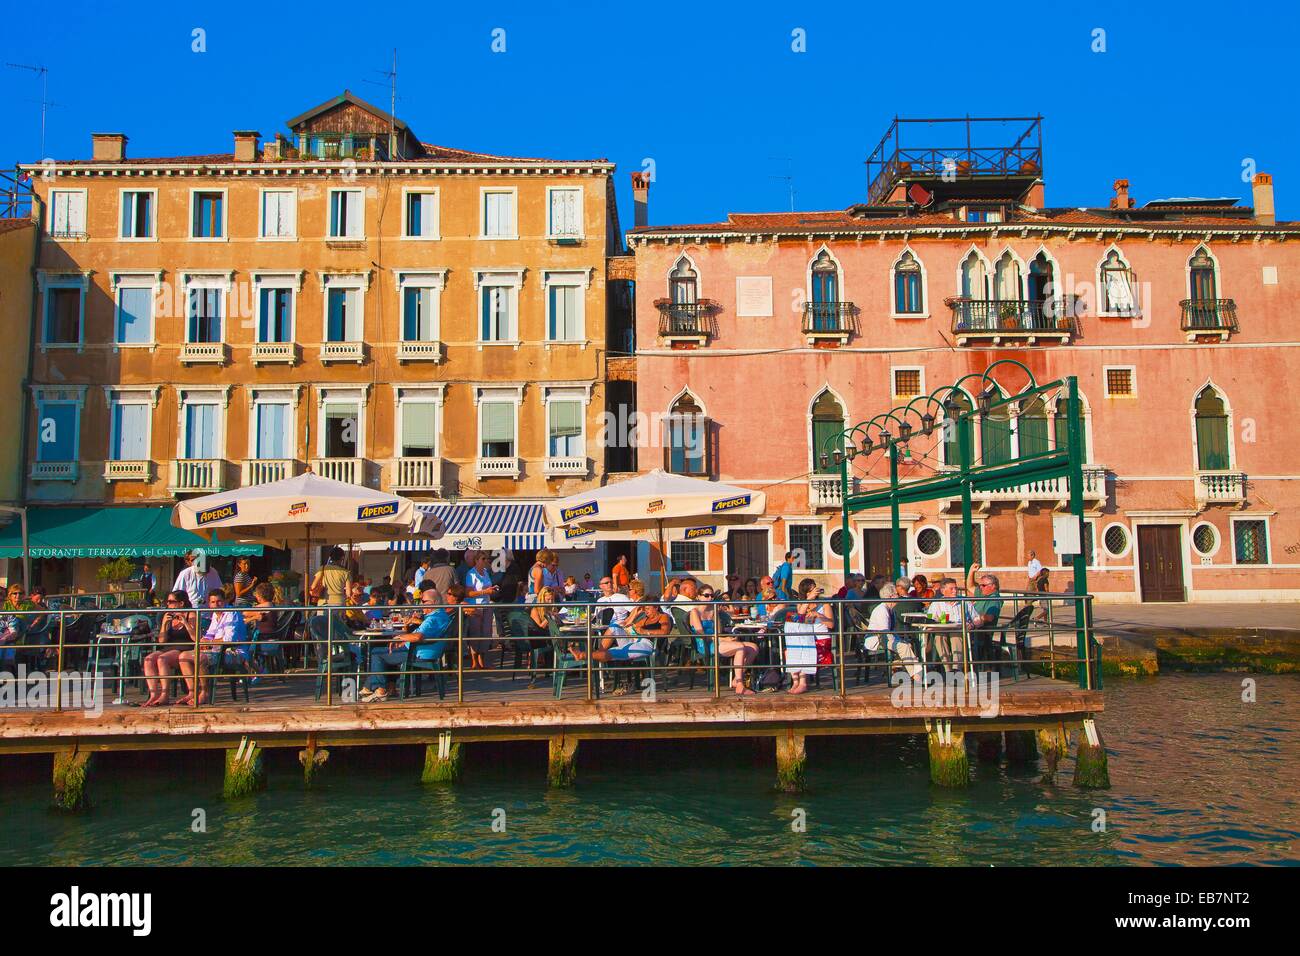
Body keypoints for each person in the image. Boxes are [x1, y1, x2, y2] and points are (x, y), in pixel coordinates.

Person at [361, 585, 465, 702]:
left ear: (433, 602)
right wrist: (404, 639)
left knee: (377, 653)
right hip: (423, 649)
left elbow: (418, 636)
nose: (421, 604)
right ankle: (385, 687)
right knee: (388, 651)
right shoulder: (441, 615)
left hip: (418, 652)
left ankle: (379, 690)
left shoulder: (432, 619)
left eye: (424, 601)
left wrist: (399, 637)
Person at [177, 590, 251, 706]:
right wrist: (187, 625)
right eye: (213, 602)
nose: (216, 605)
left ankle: (205, 693)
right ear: (209, 604)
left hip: (234, 652)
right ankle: (192, 692)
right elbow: (208, 636)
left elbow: (229, 639)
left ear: (225, 601)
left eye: (219, 601)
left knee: (200, 657)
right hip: (215, 650)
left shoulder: (231, 613)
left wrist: (209, 642)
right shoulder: (215, 615)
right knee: (183, 656)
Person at [689, 584, 757, 696]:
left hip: (718, 639)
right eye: (706, 595)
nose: (710, 598)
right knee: (739, 647)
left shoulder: (713, 610)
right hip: (705, 643)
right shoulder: (695, 612)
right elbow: (701, 634)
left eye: (711, 596)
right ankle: (740, 685)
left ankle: (736, 679)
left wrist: (716, 613)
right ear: (698, 597)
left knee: (753, 648)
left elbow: (719, 630)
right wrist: (723, 639)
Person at [142, 590, 197, 706]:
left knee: (162, 659)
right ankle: (154, 694)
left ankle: (164, 695)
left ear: (181, 603)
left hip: (184, 647)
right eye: (168, 602)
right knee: (148, 659)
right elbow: (161, 641)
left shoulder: (191, 614)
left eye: (171, 602)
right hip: (169, 647)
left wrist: (185, 623)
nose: (168, 605)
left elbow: (195, 638)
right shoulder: (168, 616)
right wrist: (164, 625)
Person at [865, 583, 921, 680]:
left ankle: (895, 669)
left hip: (885, 637)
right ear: (890, 596)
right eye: (896, 594)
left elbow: (891, 631)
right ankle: (916, 676)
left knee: (907, 645)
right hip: (878, 639)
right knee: (903, 646)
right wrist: (899, 641)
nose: (898, 596)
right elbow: (885, 632)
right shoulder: (882, 610)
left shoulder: (890, 610)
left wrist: (899, 640)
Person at [965, 563, 1004, 666]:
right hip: (973, 626)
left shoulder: (994, 598)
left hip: (980, 630)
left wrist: (975, 618)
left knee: (953, 636)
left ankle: (961, 666)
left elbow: (989, 617)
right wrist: (971, 571)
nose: (980, 587)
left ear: (993, 586)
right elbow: (970, 586)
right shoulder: (983, 594)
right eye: (981, 585)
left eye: (983, 585)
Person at [463, 550, 496, 669]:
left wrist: (491, 589)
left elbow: (487, 587)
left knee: (486, 633)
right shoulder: (471, 574)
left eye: (486, 559)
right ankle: (474, 660)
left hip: (486, 604)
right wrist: (484, 591)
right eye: (483, 559)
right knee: (475, 633)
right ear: (476, 560)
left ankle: (482, 658)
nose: (486, 561)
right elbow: (469, 593)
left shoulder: (486, 572)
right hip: (476, 606)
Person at [0, 583, 34, 667]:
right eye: (15, 593)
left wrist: (33, 624)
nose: (18, 595)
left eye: (21, 593)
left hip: (18, 634)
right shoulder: (7, 605)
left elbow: (44, 612)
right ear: (10, 595)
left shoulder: (28, 604)